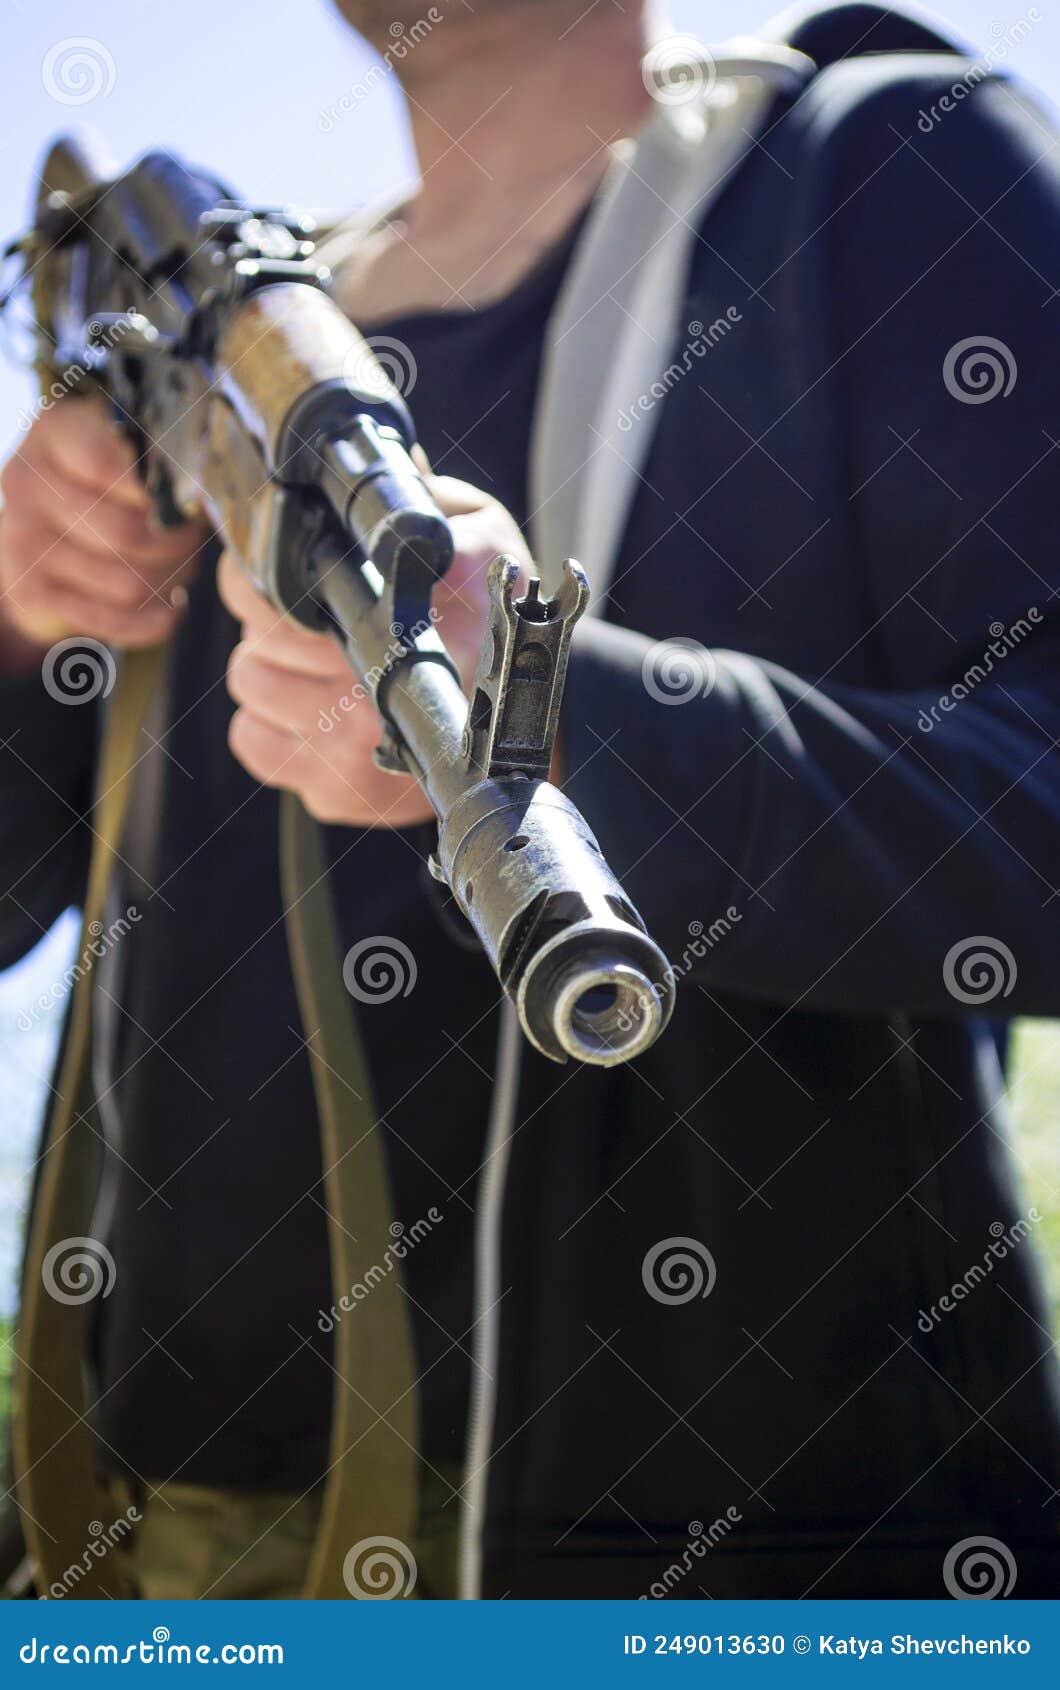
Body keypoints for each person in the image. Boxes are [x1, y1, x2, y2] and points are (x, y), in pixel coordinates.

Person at [1, 0, 1059, 1599]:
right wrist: (22, 622)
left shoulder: (889, 166)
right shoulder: (225, 346)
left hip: (715, 1572)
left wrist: (586, 727)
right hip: (156, 1543)